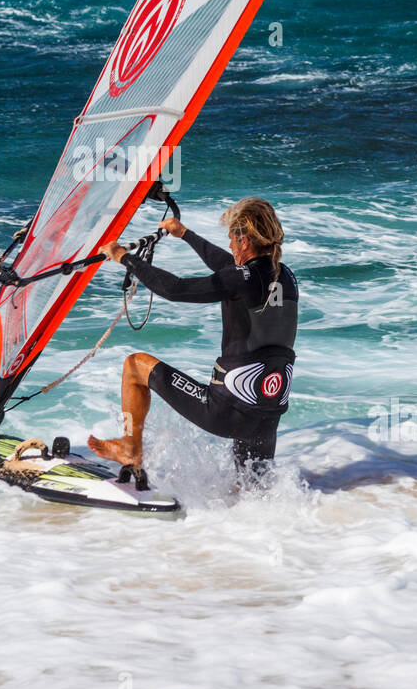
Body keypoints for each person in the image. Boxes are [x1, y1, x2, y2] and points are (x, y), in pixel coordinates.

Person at [88, 197, 297, 479]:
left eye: (232, 240)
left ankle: (130, 447)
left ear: (244, 240)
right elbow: (229, 268)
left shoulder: (242, 279)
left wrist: (125, 258)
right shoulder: (284, 276)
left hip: (227, 410)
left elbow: (176, 289)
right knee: (251, 494)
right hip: (266, 417)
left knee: (135, 366)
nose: (230, 246)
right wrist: (184, 234)